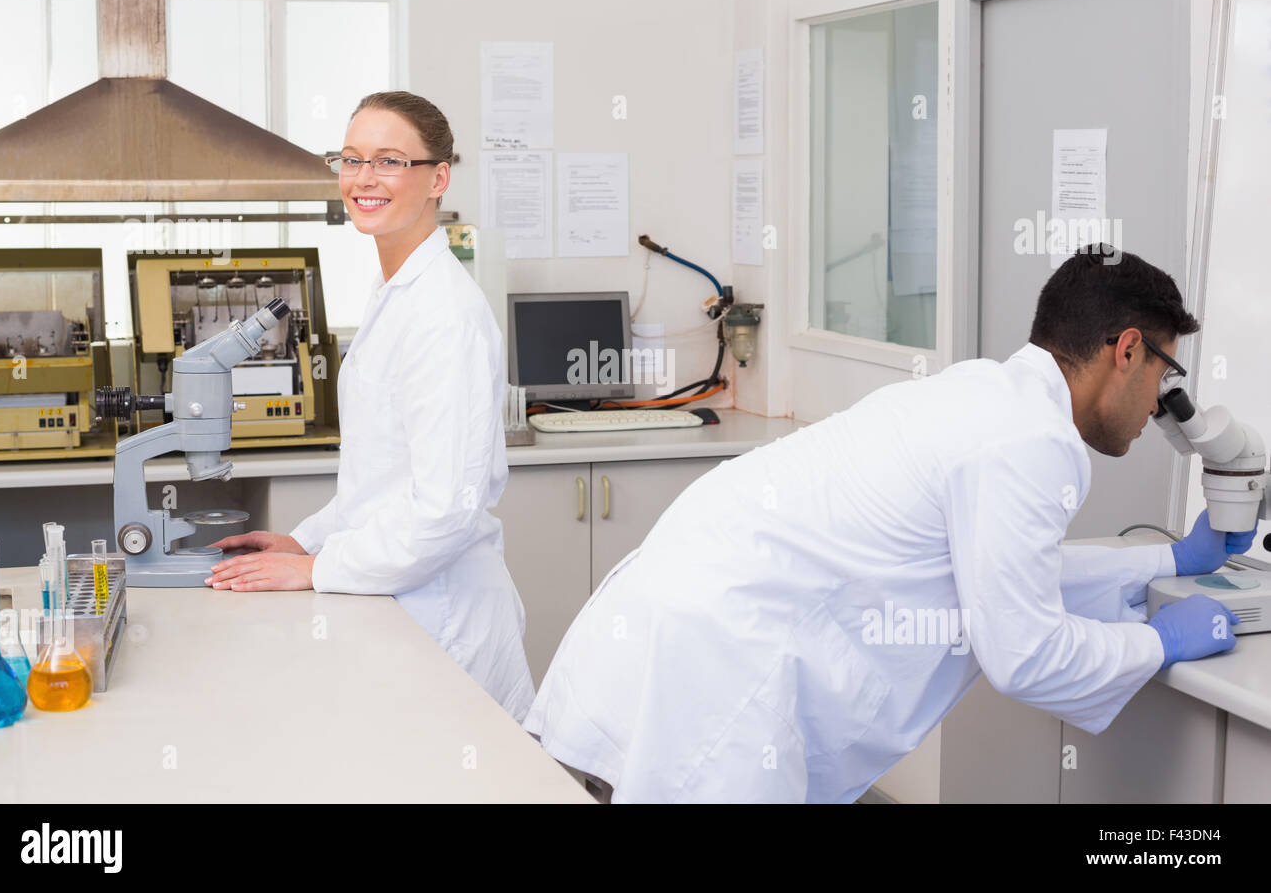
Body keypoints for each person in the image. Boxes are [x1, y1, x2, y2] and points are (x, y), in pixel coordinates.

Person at [524, 247, 1254, 802]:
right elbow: (1024, 650)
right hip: (716, 683)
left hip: (656, 642)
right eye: (1164, 375)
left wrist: (1166, 564)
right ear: (1126, 350)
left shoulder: (984, 394)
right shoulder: (1033, 444)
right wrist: (1155, 644)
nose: (1160, 400)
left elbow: (1001, 578)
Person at [206, 91, 535, 721]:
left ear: (437, 177)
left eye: (389, 161)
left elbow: (442, 513)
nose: (363, 178)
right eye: (351, 159)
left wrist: (316, 569)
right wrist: (302, 543)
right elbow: (383, 483)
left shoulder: (444, 315)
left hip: (444, 617)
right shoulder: (395, 288)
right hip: (400, 603)